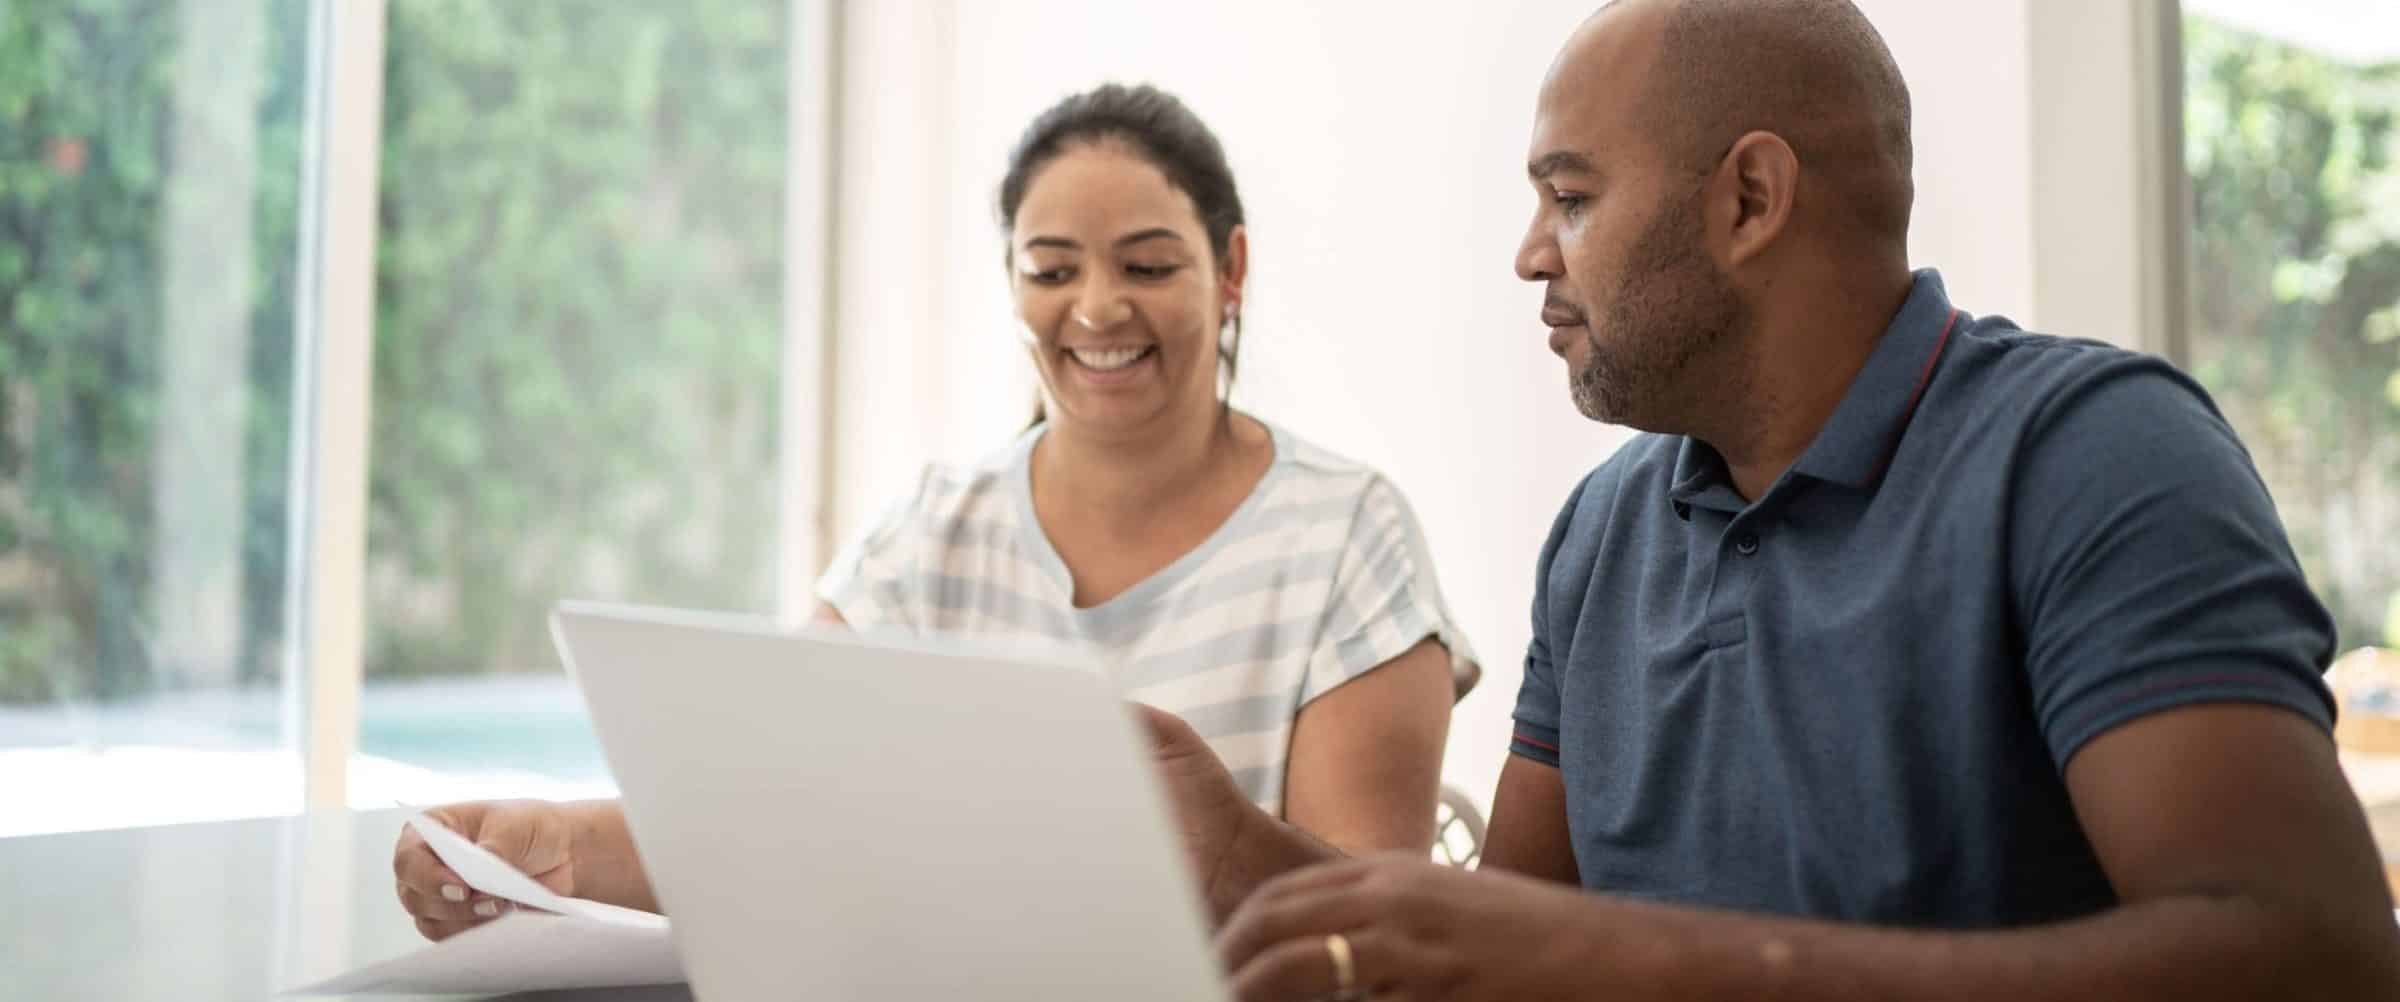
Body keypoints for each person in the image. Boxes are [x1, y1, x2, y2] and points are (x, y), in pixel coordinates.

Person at [1156, 2, 2400, 999]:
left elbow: (2310, 956)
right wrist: (1237, 861)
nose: (1532, 251)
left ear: (1749, 199)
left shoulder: (2093, 454)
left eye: (1572, 196)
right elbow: (1519, 945)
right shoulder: (1604, 531)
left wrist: (1662, 965)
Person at [390, 83, 1477, 942]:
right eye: (1051, 269)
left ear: (1229, 270)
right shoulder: (932, 532)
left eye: (1147, 264)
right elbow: (767, 809)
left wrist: (1221, 848)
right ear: (1013, 285)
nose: (1097, 308)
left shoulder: (1344, 533)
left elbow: (1379, 926)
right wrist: (547, 850)